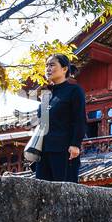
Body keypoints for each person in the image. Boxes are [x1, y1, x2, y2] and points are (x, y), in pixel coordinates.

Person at [33, 53, 86, 183]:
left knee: (64, 191)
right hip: (43, 151)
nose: (48, 69)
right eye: (46, 66)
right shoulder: (45, 95)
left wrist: (75, 144)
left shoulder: (74, 91)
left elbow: (79, 119)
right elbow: (42, 124)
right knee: (41, 191)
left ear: (64, 69)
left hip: (64, 150)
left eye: (52, 65)